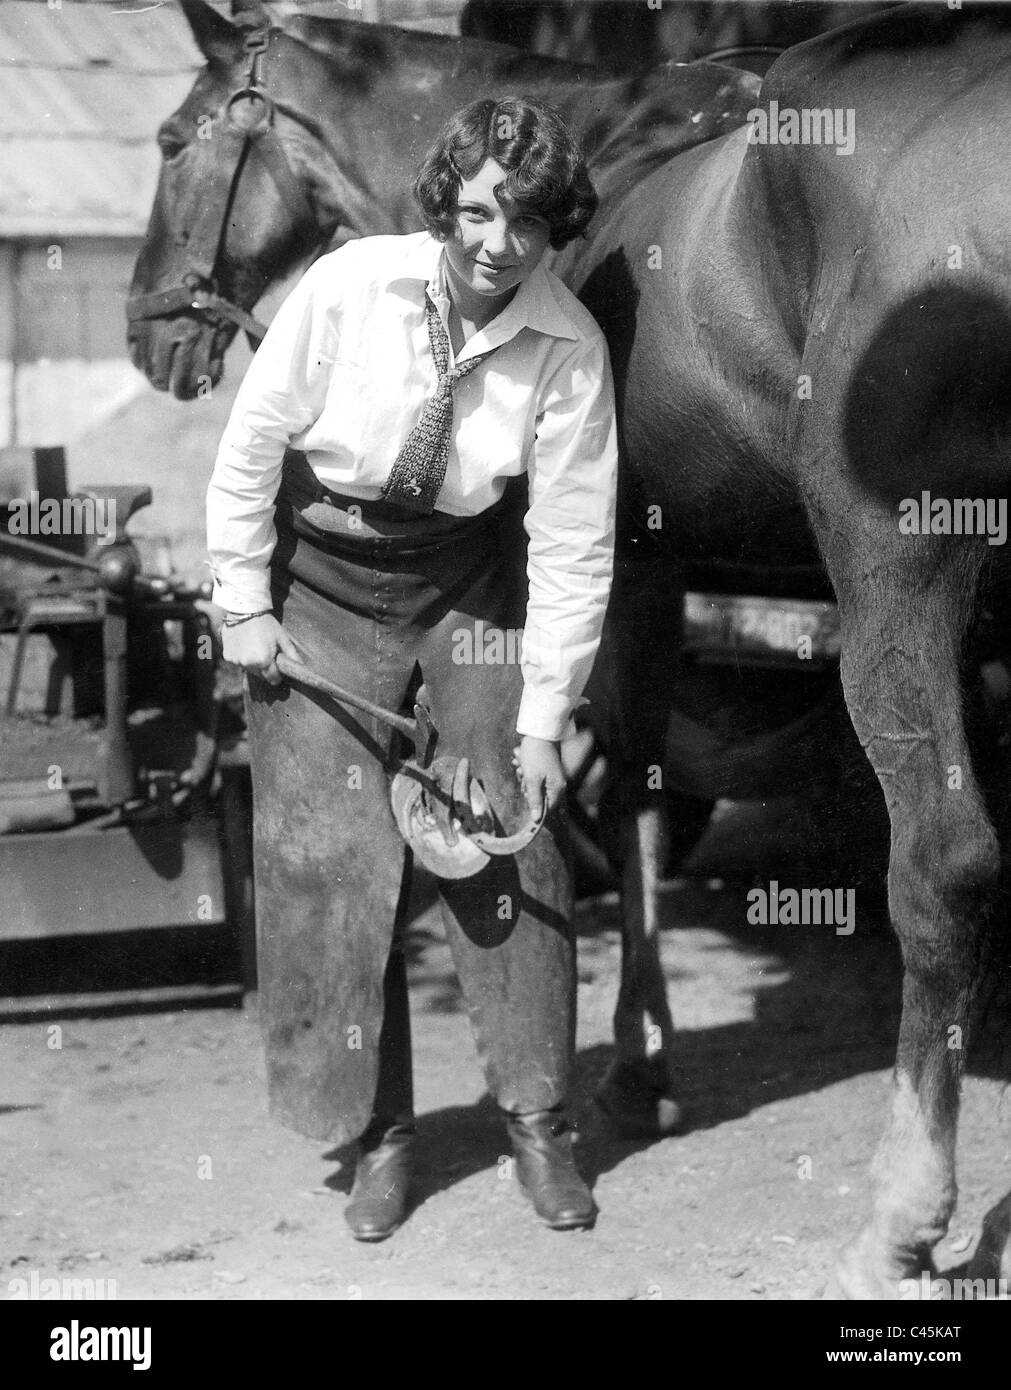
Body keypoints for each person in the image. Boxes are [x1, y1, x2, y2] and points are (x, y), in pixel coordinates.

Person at [206, 96, 618, 1241]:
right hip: (319, 581)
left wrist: (543, 717)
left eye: (529, 222)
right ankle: (381, 1134)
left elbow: (575, 542)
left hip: (462, 585)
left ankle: (540, 1122)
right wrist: (240, 601)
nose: (499, 244)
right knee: (336, 861)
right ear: (448, 197)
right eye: (481, 210)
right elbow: (251, 441)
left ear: (553, 230)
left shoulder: (569, 349)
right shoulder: (347, 287)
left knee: (510, 839)